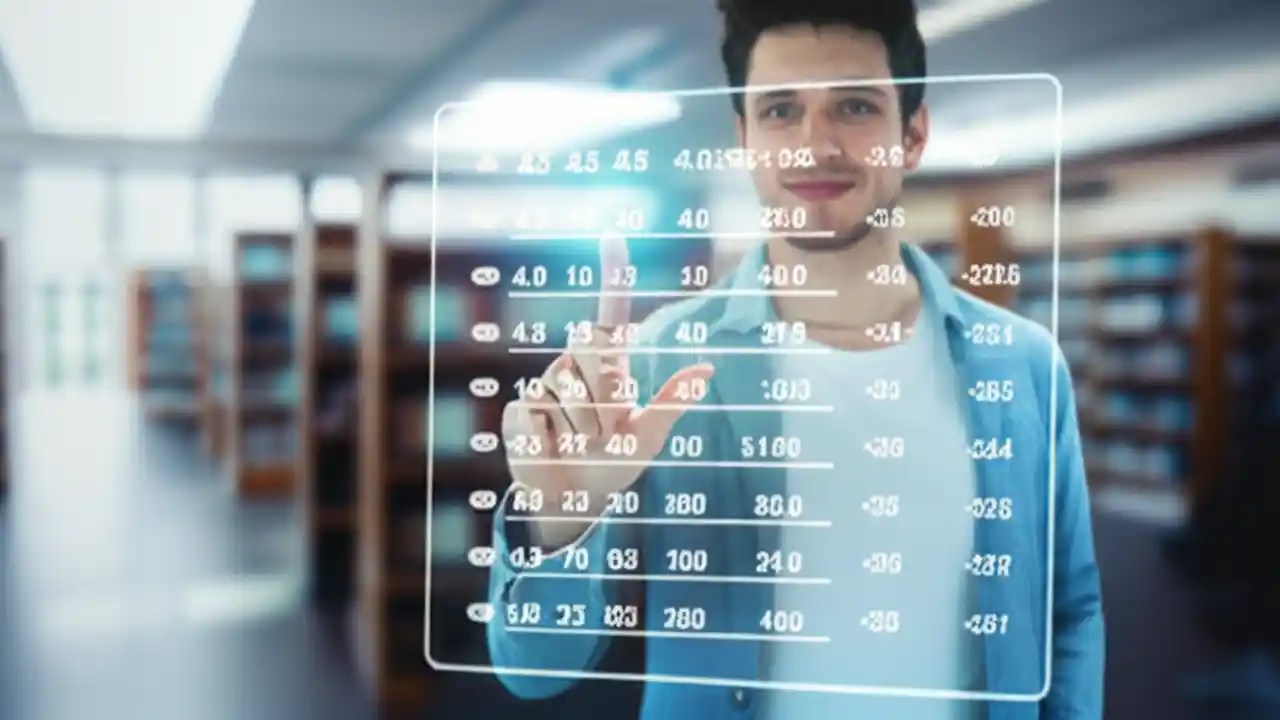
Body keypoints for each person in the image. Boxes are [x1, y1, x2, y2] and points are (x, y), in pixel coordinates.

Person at [485, 1, 1104, 718]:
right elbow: (534, 671)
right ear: (745, 138)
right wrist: (563, 522)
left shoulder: (1024, 366)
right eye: (781, 111)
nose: (815, 144)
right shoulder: (655, 361)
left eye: (854, 106)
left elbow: (1071, 612)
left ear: (913, 135)